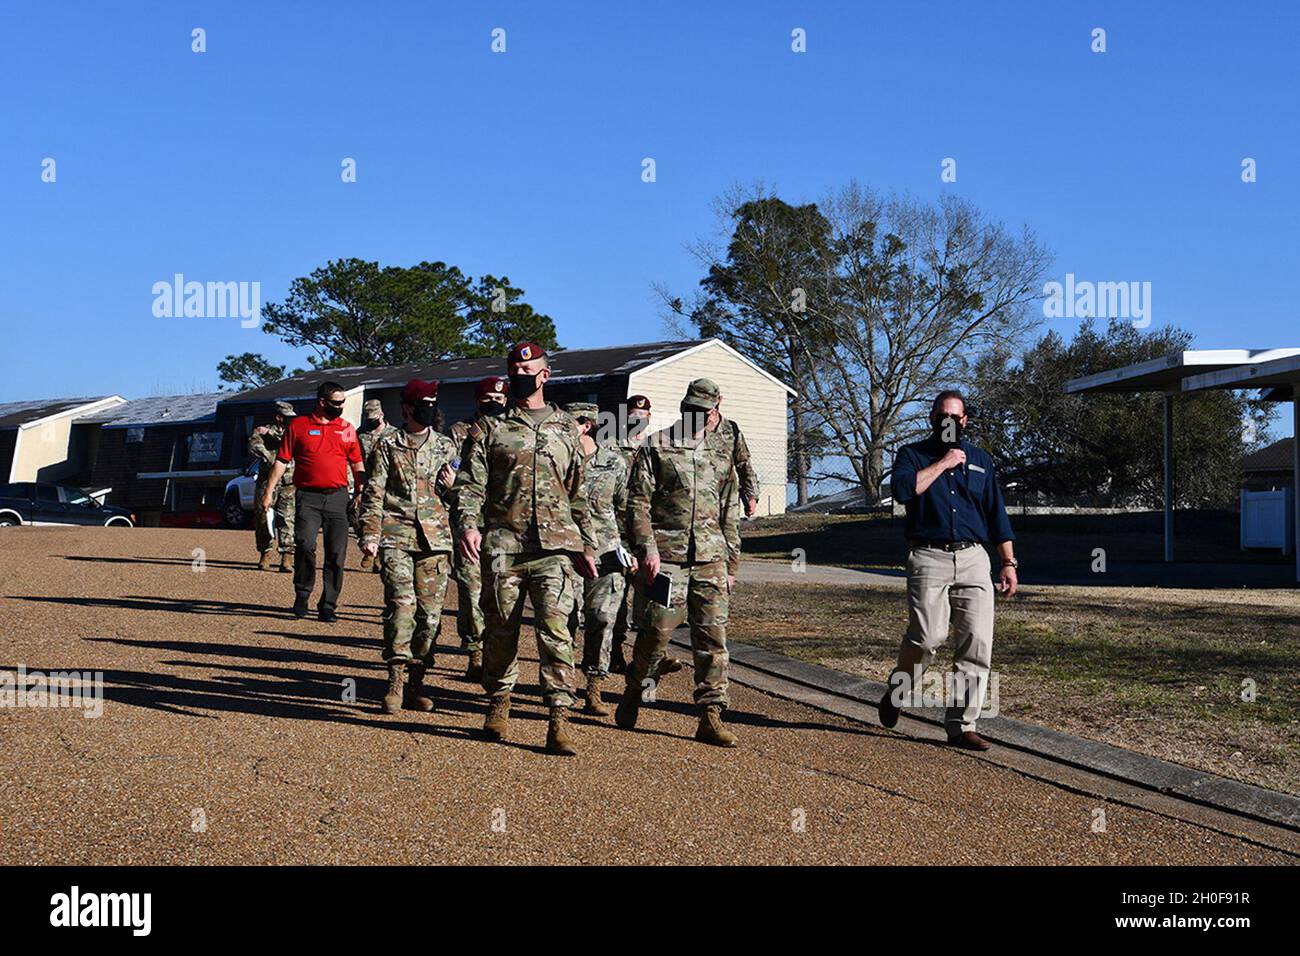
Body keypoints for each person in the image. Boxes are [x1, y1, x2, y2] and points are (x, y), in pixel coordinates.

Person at [451, 342, 598, 756]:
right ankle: (498, 701)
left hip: (556, 547)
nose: (519, 372)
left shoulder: (568, 428)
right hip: (504, 544)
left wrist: (587, 545)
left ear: (545, 375)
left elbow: (579, 494)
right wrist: (467, 524)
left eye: (527, 367)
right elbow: (470, 484)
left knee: (556, 631)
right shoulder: (491, 428)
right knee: (500, 629)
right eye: (514, 366)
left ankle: (558, 719)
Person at [877, 389, 1018, 751]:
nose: (948, 424)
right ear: (932, 419)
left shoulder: (982, 460)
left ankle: (961, 725)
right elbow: (905, 492)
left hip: (974, 558)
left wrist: (1008, 562)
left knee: (977, 643)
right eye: (942, 418)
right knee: (927, 638)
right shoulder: (912, 455)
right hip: (928, 557)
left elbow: (996, 515)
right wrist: (943, 463)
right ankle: (898, 690)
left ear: (965, 421)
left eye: (955, 418)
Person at [615, 378, 741, 748]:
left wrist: (732, 564)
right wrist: (647, 548)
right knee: (655, 634)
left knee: (713, 638)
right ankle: (634, 688)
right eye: (691, 409)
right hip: (667, 558)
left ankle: (711, 715)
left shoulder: (722, 453)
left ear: (715, 411)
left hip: (711, 559)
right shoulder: (657, 446)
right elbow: (637, 503)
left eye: (704, 411)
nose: (697, 416)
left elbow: (730, 510)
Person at [359, 380, 458, 714]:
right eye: (422, 403)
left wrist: (455, 488)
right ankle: (395, 681)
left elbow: (462, 496)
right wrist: (370, 535)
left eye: (433, 402)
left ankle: (417, 682)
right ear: (406, 408)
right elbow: (374, 492)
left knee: (429, 616)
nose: (429, 408)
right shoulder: (388, 445)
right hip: (396, 534)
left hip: (436, 539)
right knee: (402, 606)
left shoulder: (446, 446)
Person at [259, 381, 364, 623]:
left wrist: (360, 488)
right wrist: (268, 492)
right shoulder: (299, 426)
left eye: (343, 403)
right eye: (336, 403)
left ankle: (328, 604)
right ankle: (302, 594)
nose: (340, 407)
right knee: (305, 545)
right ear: (322, 402)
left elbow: (357, 462)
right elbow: (282, 461)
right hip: (308, 497)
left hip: (338, 497)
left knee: (336, 554)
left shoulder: (347, 429)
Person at [564, 402, 636, 717]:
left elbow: (626, 509)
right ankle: (562, 688)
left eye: (571, 423)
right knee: (563, 623)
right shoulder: (557, 461)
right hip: (565, 553)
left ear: (587, 425)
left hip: (607, 554)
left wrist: (632, 548)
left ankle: (594, 688)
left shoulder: (614, 463)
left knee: (603, 621)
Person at [448, 376, 508, 681]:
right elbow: (448, 480)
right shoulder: (459, 434)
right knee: (471, 593)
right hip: (470, 525)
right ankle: (474, 652)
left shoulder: (514, 432)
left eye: (499, 399)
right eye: (488, 398)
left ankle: (495, 656)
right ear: (477, 401)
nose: (494, 403)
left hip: (502, 530)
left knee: (498, 595)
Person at [249, 401, 297, 572]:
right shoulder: (261, 430)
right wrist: (270, 457)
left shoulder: (294, 432)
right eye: (287, 418)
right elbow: (254, 445)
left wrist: (270, 434)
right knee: (263, 518)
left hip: (289, 483)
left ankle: (287, 557)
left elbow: (292, 443)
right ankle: (265, 552)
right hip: (267, 481)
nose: (291, 420)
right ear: (279, 417)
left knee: (288, 520)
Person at [356, 398, 398, 573]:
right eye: (368, 418)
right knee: (363, 516)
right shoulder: (361, 434)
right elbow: (355, 460)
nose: (371, 421)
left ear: (381, 415)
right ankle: (369, 545)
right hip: (368, 482)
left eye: (374, 418)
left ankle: (379, 555)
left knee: (386, 519)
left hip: (388, 483)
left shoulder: (394, 434)